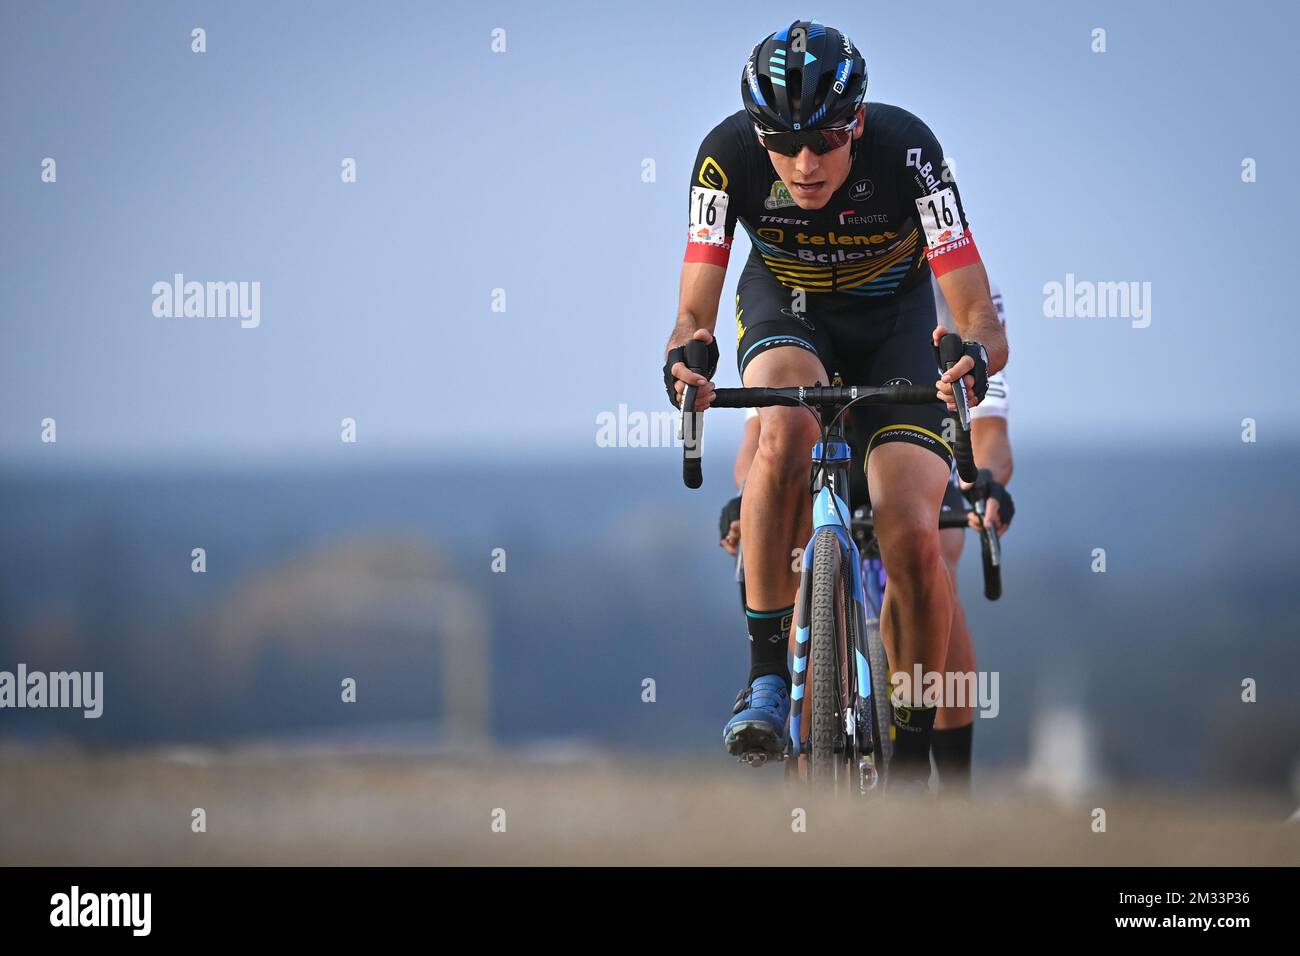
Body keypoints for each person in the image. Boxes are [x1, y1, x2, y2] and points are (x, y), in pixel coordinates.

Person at [663, 20, 1007, 788]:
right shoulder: (723, 160)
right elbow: (692, 315)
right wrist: (687, 357)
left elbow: (977, 313)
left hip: (899, 326)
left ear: (856, 122)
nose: (804, 163)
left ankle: (915, 744)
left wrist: (974, 356)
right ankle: (765, 679)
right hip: (790, 310)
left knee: (914, 535)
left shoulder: (910, 152)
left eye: (822, 139)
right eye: (782, 144)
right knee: (783, 427)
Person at [720, 274, 1015, 794]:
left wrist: (981, 486)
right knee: (795, 569)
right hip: (827, 442)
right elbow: (758, 435)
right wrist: (747, 498)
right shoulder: (797, 270)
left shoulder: (959, 283)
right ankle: (806, 773)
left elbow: (989, 431)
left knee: (936, 558)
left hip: (917, 436)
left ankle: (951, 784)